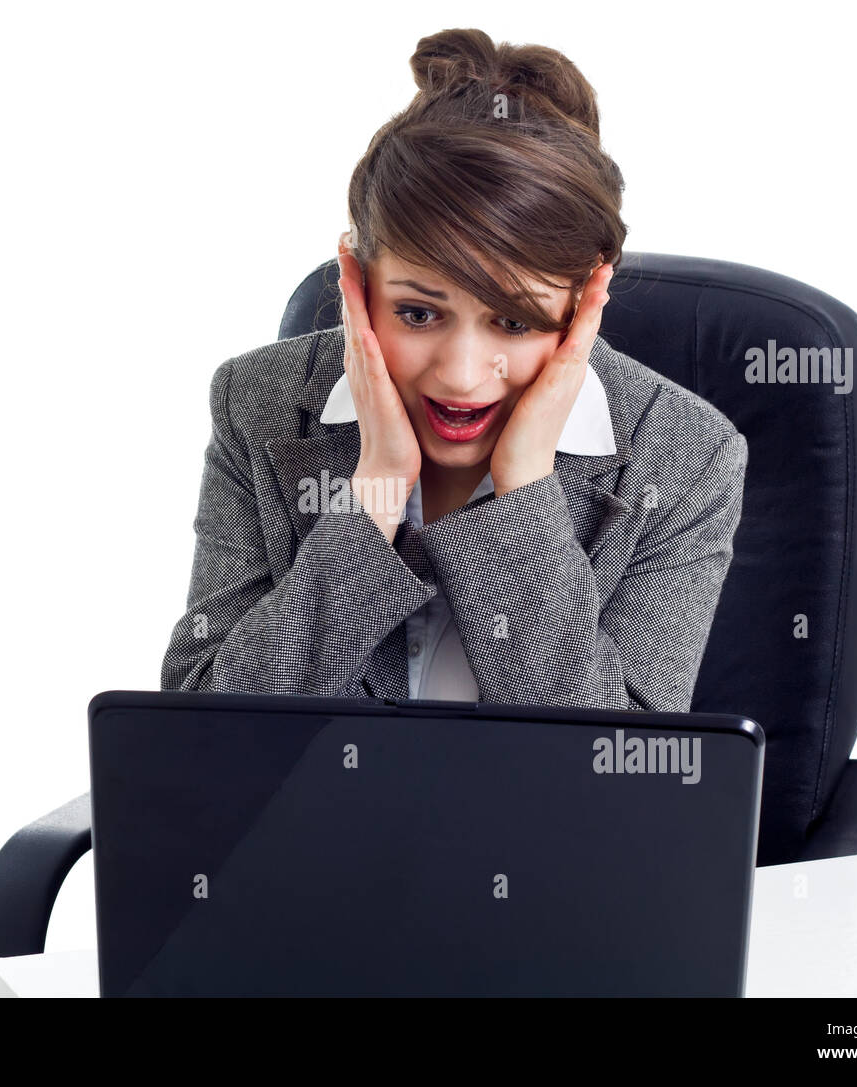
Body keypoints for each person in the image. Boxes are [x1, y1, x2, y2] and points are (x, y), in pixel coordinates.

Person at [160, 27, 748, 711]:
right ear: (357, 280)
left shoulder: (686, 460)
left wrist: (524, 491)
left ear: (585, 300)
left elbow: (618, 780)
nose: (463, 375)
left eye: (514, 320)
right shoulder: (255, 403)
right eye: (418, 313)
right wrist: (374, 495)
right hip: (323, 824)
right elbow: (202, 740)